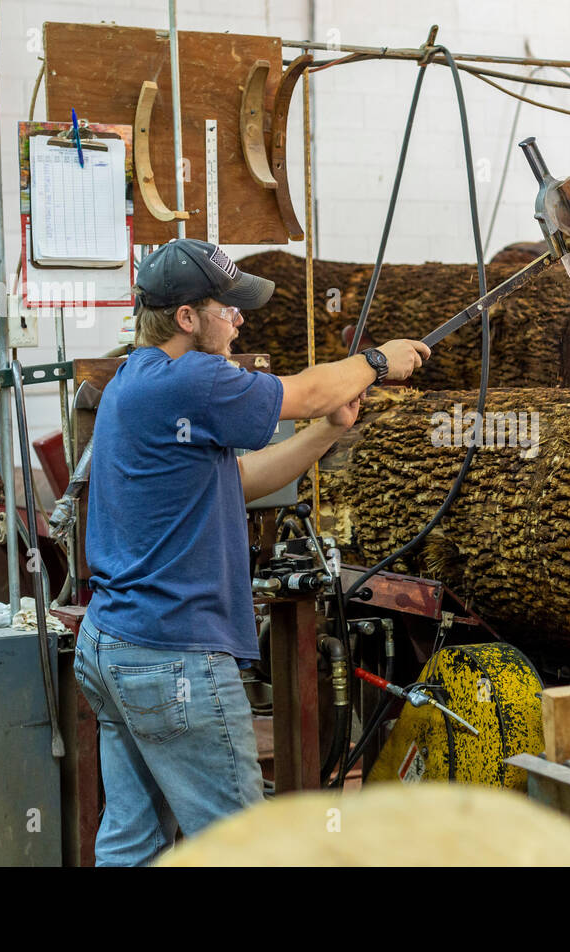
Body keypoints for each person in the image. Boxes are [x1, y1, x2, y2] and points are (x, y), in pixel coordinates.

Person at [73, 238, 431, 865]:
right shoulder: (193, 378)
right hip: (173, 656)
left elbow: (237, 482)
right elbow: (309, 389)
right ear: (187, 318)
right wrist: (377, 359)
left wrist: (328, 430)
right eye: (228, 308)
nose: (240, 319)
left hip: (116, 648)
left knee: (131, 846)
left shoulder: (138, 378)